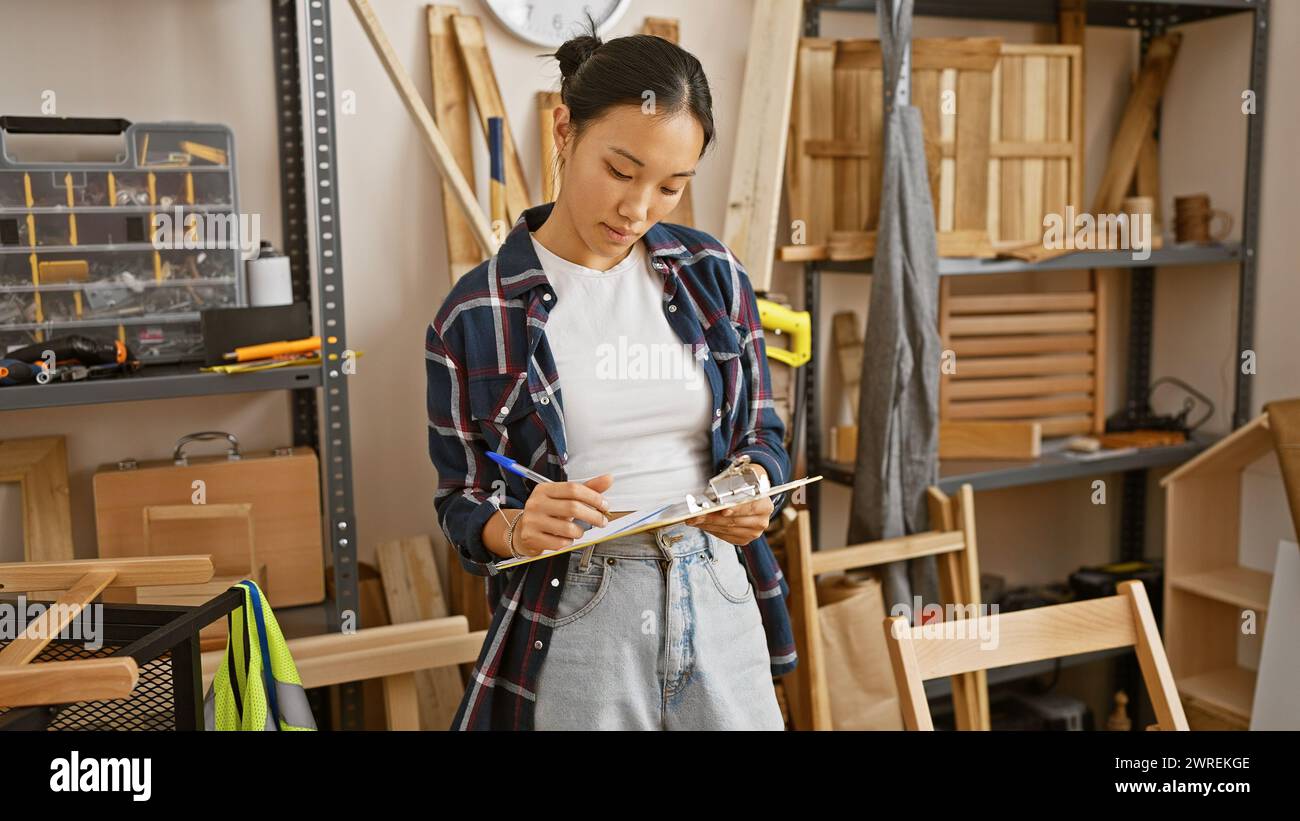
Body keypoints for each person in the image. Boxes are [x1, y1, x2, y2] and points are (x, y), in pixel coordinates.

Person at [426, 18, 795, 730]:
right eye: (621, 172)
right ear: (564, 130)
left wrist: (754, 488)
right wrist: (518, 527)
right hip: (580, 609)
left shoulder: (711, 275)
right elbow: (462, 501)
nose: (637, 209)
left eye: (670, 187)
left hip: (717, 586)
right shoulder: (475, 315)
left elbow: (762, 435)